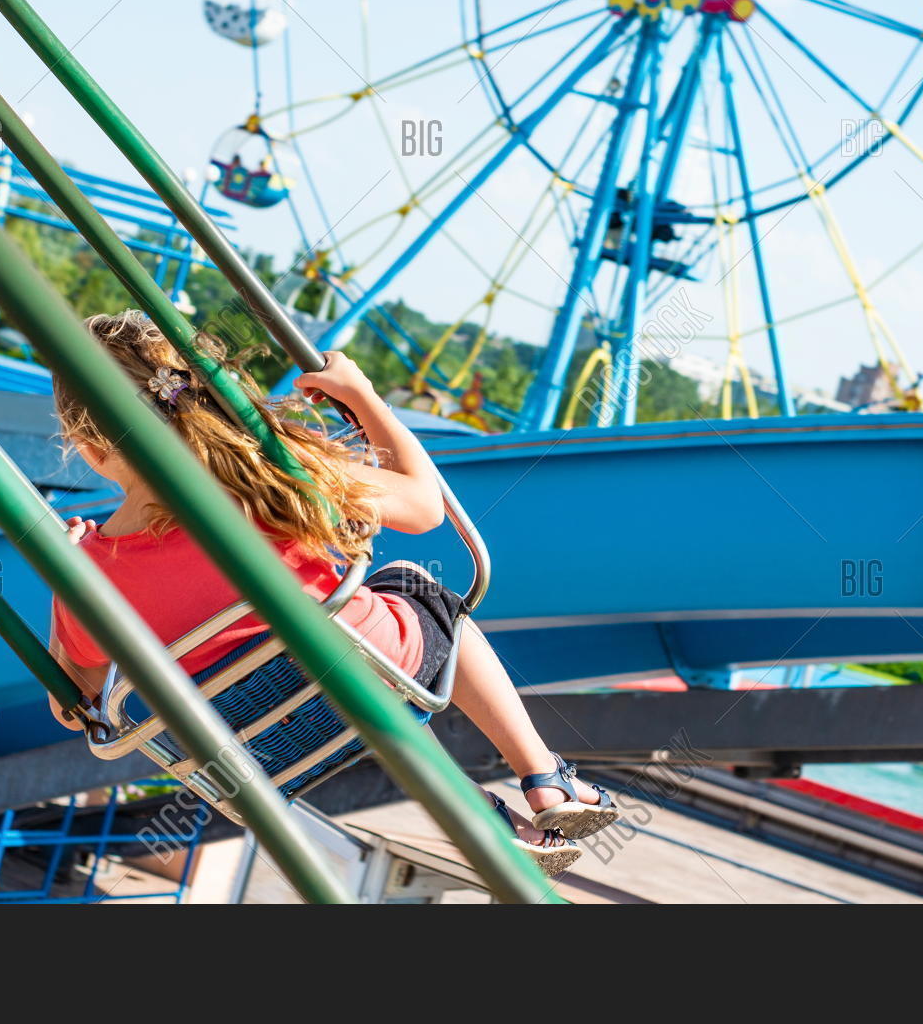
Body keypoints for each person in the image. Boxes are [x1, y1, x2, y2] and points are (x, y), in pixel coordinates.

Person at [46, 310, 617, 875]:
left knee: (333, 700)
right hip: (367, 665)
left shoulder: (93, 570)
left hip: (253, 743)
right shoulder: (267, 468)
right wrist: (366, 399)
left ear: (89, 448)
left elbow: (76, 709)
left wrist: (64, 573)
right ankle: (543, 774)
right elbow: (422, 508)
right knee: (413, 592)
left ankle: (480, 812)